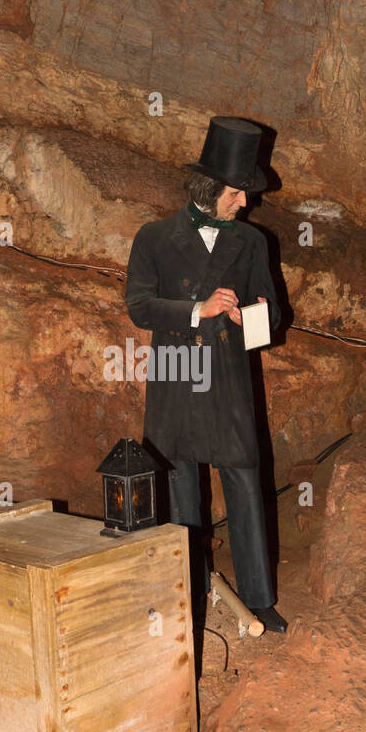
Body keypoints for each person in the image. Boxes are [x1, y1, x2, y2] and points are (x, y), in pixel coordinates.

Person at [125, 116, 287, 634]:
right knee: (179, 485)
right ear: (212, 188)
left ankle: (260, 599)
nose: (245, 203)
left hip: (229, 373)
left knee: (243, 478)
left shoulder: (254, 243)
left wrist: (249, 319)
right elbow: (140, 307)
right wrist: (200, 309)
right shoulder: (154, 237)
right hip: (177, 370)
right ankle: (187, 591)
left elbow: (274, 314)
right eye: (239, 193)